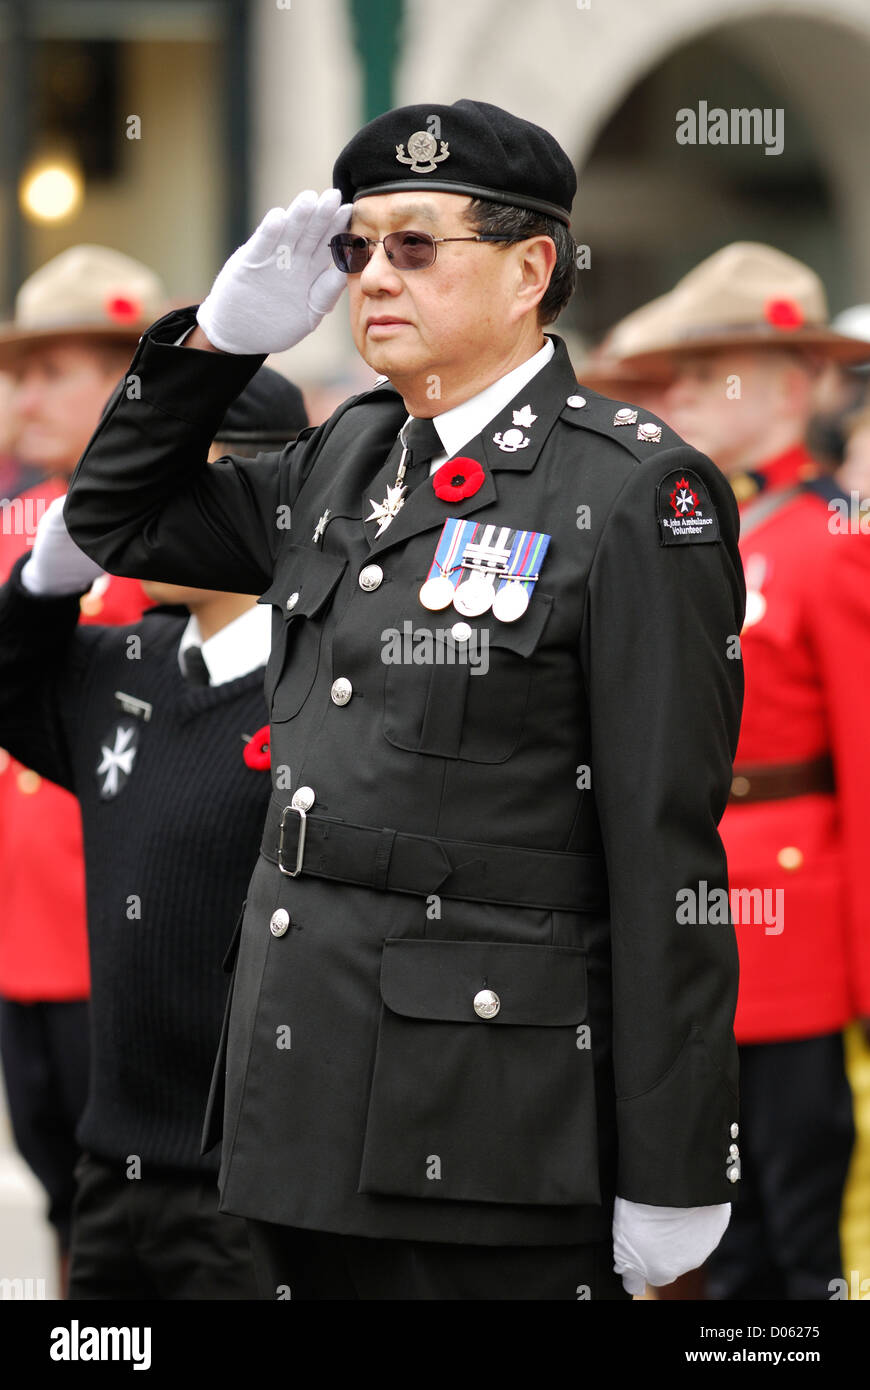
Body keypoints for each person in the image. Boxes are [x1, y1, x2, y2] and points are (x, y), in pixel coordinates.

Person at [64, 98, 745, 1301]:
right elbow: (117, 519)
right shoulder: (353, 454)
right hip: (298, 1094)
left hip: (486, 1113)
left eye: (416, 245)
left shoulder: (636, 491)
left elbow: (665, 853)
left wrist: (674, 1162)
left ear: (533, 266)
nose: (373, 276)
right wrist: (217, 344)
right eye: (356, 247)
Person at [0, 365, 308, 1299]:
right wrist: (49, 574)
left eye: (157, 483)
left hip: (253, 1192)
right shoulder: (121, 661)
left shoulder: (322, 686)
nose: (125, 512)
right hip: (113, 1168)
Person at [621, 240, 870, 1299]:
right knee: (709, 1250)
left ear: (795, 379)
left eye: (709, 364)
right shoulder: (694, 532)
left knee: (795, 1239)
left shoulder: (832, 543)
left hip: (796, 929)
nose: (681, 392)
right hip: (690, 917)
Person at [0, 246, 166, 1289]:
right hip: (27, 928)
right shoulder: (18, 523)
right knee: (61, 1190)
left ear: (127, 380)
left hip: (132, 935)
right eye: (21, 370)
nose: (25, 394)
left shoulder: (188, 521)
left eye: (54, 367)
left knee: (148, 1216)